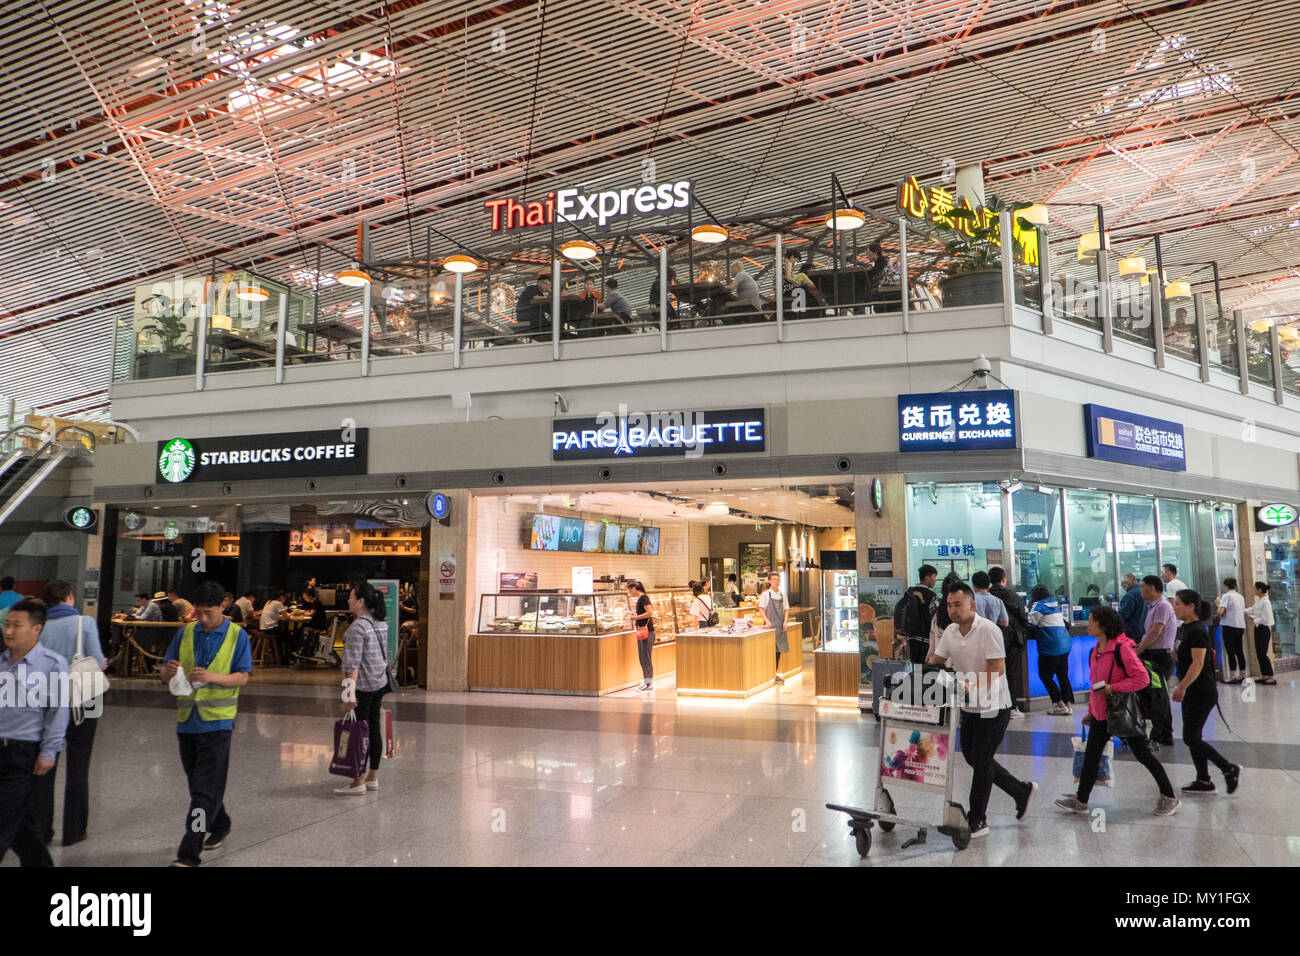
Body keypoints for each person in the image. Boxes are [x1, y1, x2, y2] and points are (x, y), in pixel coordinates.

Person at [927, 584, 1036, 838]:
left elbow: (997, 668)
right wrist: (925, 669)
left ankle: (978, 819)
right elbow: (938, 660)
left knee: (982, 761)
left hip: (993, 706)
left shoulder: (989, 630)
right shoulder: (951, 632)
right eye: (949, 605)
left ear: (972, 605)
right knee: (972, 757)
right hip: (968, 705)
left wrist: (970, 684)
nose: (953, 610)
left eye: (958, 605)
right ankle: (1020, 790)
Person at [160, 580, 252, 866]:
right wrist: (169, 671)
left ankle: (189, 852)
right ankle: (221, 822)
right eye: (197, 612)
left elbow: (243, 676)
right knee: (199, 786)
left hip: (218, 723)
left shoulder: (238, 636)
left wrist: (212, 677)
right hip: (187, 721)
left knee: (202, 791)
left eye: (208, 613)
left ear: (223, 606)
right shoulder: (186, 633)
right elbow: (164, 672)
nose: (201, 618)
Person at [1055, 607, 1179, 816]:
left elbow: (1142, 678)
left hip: (1122, 712)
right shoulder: (1095, 650)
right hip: (1102, 714)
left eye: (1093, 620)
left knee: (1143, 754)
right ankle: (1081, 799)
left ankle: (1169, 796)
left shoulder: (1122, 649)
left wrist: (1114, 688)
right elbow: (1095, 685)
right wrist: (1092, 711)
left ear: (1103, 625)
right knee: (1092, 756)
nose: (1089, 623)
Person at [33, 580, 105, 848]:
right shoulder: (84, 623)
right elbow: (96, 660)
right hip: (82, 702)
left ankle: (42, 829)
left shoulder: (38, 626)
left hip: (47, 701)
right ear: (70, 597)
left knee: (44, 763)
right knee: (79, 765)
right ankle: (74, 830)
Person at [0, 598, 67, 867]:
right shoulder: (2, 661)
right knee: (23, 828)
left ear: (37, 629)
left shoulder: (52, 664)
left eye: (17, 625)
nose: (8, 631)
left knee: (3, 821)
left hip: (23, 753)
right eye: (7, 624)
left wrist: (49, 751)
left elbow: (58, 711)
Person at [1170, 589, 1241, 795]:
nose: (1174, 608)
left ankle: (1228, 768)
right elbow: (1185, 657)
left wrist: (1181, 686)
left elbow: (1198, 663)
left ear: (1190, 606)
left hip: (1201, 690)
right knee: (1193, 735)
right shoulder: (1185, 628)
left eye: (1177, 604)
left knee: (1191, 738)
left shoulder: (1197, 630)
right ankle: (1203, 779)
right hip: (1193, 690)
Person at [334, 582, 392, 795]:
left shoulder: (358, 628)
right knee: (373, 730)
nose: (348, 600)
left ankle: (357, 780)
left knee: (358, 732)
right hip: (379, 683)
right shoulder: (380, 623)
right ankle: (372, 777)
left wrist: (348, 695)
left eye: (351, 597)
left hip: (363, 687)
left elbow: (353, 665)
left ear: (361, 601)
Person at [1136, 574, 1177, 746]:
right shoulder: (1153, 606)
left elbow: (1155, 632)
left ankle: (1159, 734)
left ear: (1152, 588)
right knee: (1159, 695)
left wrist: (1139, 650)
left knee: (1158, 696)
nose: (1141, 590)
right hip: (1153, 654)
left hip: (1160, 656)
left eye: (1143, 586)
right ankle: (1165, 734)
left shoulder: (1162, 606)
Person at [988, 567, 1029, 718]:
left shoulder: (988, 595)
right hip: (1011, 638)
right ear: (1003, 579)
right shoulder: (1011, 595)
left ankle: (994, 705)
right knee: (1010, 673)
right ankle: (1011, 707)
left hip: (992, 639)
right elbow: (1023, 616)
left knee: (992, 672)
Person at [1027, 584, 1074, 716]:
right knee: (1062, 675)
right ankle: (1068, 705)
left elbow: (1030, 623)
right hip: (1065, 645)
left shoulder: (1039, 605)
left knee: (1045, 675)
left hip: (1050, 647)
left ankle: (1059, 704)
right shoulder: (1054, 603)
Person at [900, 565, 941, 663]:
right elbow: (936, 617)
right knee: (926, 667)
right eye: (934, 577)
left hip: (910, 638)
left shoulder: (909, 592)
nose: (935, 580)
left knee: (915, 666)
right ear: (927, 578)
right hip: (925, 638)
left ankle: (916, 678)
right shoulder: (931, 595)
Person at [758, 571, 791, 686]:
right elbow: (761, 609)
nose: (776, 582)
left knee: (778, 652)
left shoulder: (783, 595)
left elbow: (786, 610)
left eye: (778, 579)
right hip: (770, 627)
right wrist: (767, 621)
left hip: (780, 626)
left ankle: (774, 674)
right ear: (769, 581)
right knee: (769, 651)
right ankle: (768, 674)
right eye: (774, 580)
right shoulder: (766, 595)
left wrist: (785, 622)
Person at [1215, 578, 1247, 683]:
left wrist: (1218, 605)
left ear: (1226, 586)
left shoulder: (1226, 596)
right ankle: (1243, 674)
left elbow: (1220, 611)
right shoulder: (1240, 597)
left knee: (1230, 651)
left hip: (1229, 626)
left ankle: (1233, 675)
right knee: (1239, 651)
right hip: (1240, 626)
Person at [1245, 581, 1276, 684]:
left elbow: (1266, 619)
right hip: (1258, 628)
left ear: (1259, 590)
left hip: (1263, 629)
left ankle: (1271, 676)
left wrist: (1253, 619)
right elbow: (1252, 610)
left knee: (1262, 653)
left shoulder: (1266, 602)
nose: (1254, 590)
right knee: (1259, 652)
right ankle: (1264, 674)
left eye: (1255, 588)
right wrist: (1241, 610)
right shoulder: (1259, 601)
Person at [627, 581, 654, 691]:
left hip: (646, 631)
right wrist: (636, 615)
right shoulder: (641, 599)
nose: (628, 591)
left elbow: (649, 612)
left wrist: (635, 618)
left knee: (645, 657)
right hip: (642, 632)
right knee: (643, 657)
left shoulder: (643, 598)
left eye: (628, 589)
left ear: (634, 588)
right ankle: (646, 682)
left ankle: (648, 683)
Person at [515, 273, 552, 340]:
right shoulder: (532, 288)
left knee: (550, 325)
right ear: (540, 282)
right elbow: (536, 298)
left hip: (534, 318)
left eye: (549, 285)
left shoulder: (541, 294)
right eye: (546, 284)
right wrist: (551, 295)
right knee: (549, 326)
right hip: (527, 316)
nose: (547, 287)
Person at [295, 588, 329, 660]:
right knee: (299, 630)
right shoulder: (314, 603)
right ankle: (300, 651)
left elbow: (311, 614)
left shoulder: (316, 603)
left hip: (318, 625)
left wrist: (301, 612)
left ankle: (302, 652)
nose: (304, 599)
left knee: (299, 631)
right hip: (315, 623)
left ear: (309, 596)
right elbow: (309, 612)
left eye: (305, 597)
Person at [260, 589, 291, 663]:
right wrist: (294, 613)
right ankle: (284, 659)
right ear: (281, 597)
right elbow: (287, 616)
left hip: (264, 628)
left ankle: (279, 657)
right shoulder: (277, 603)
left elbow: (275, 615)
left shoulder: (269, 602)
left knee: (284, 634)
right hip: (271, 629)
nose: (284, 600)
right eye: (284, 598)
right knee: (288, 635)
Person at [1118, 573, 1146, 642]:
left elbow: (1123, 614)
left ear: (1128, 583)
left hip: (1133, 632)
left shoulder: (1129, 596)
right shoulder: (1143, 591)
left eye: (1123, 583)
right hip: (1145, 630)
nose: (1122, 586)